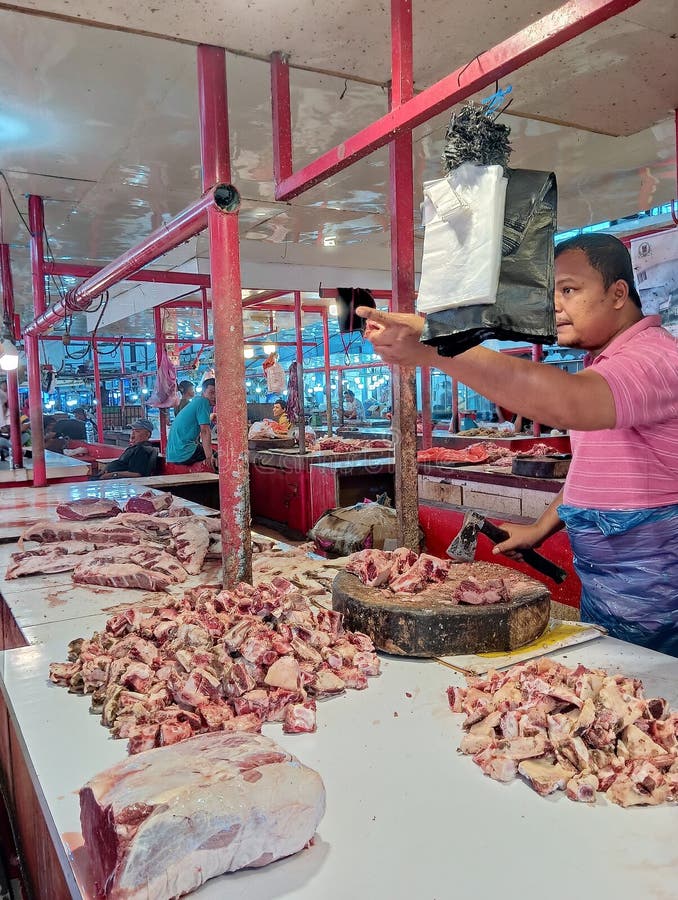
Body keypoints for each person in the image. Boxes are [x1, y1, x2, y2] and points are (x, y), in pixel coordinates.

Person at [357, 233, 678, 657]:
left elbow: (568, 402)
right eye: (553, 293)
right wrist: (540, 528)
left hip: (661, 596)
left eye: (569, 290)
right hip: (612, 591)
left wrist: (436, 350)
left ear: (618, 293)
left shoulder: (655, 358)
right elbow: (593, 467)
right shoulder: (609, 364)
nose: (556, 306)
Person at [166, 377, 216, 471]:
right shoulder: (203, 402)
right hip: (184, 452)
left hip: (173, 454)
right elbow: (205, 431)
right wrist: (209, 457)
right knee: (220, 457)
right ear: (203, 393)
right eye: (211, 392)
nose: (214, 396)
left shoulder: (196, 402)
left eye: (217, 393)